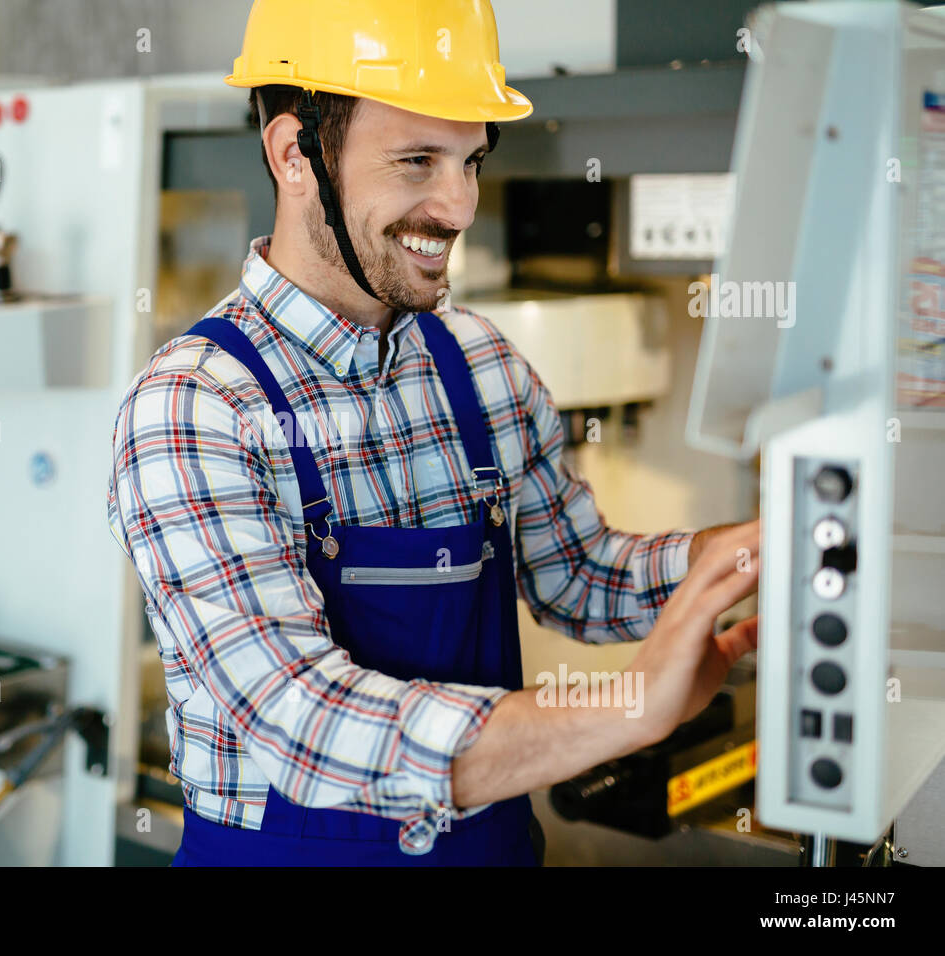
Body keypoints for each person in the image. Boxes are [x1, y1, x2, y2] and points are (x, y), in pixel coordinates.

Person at [107, 0, 760, 866]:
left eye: (471, 161)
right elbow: (301, 720)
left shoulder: (480, 364)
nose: (457, 205)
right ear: (294, 154)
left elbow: (578, 575)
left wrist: (749, 560)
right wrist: (620, 710)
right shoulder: (194, 408)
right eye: (417, 161)